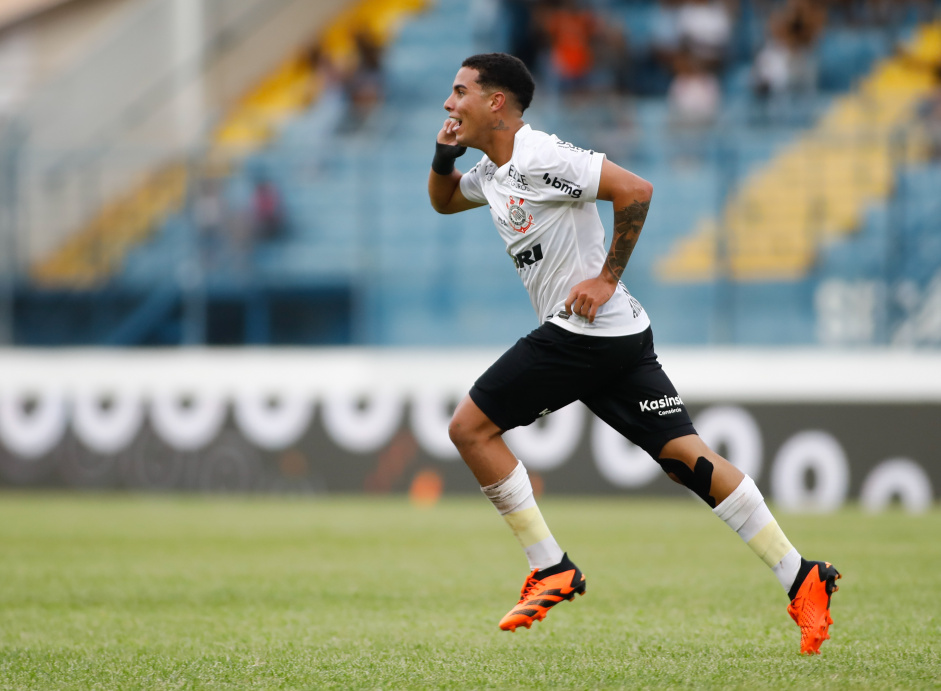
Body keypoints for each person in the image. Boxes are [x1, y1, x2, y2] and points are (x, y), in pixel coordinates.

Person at [427, 52, 841, 655]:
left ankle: (550, 567)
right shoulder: (493, 173)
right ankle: (802, 575)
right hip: (619, 337)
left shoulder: (542, 157)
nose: (448, 101)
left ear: (497, 103)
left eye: (460, 91)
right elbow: (442, 201)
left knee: (470, 429)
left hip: (582, 331)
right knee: (687, 461)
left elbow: (634, 190)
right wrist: (445, 152)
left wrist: (605, 277)